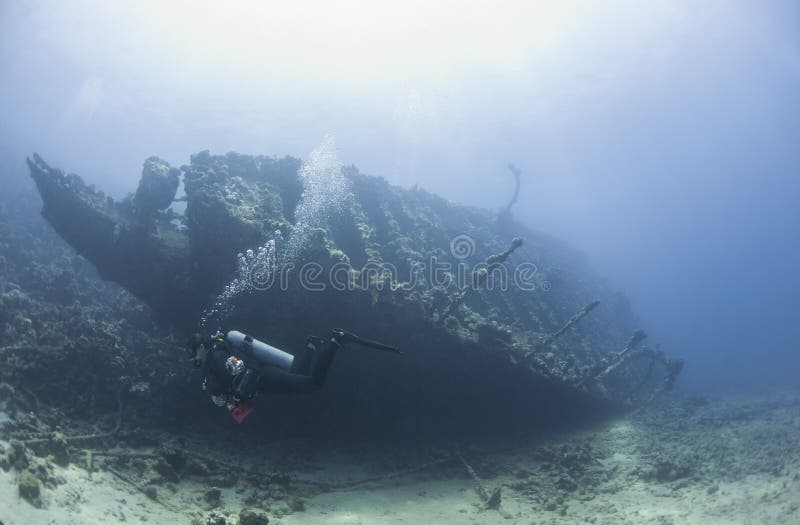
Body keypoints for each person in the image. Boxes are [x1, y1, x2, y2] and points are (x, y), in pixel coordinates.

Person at [185, 328, 400, 423]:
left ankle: (336, 341)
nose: (194, 359)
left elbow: (233, 371)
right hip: (262, 380)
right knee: (301, 374)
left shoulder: (214, 356)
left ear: (199, 348)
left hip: (262, 378)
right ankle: (312, 345)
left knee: (313, 384)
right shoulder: (216, 352)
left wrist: (219, 393)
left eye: (192, 354)